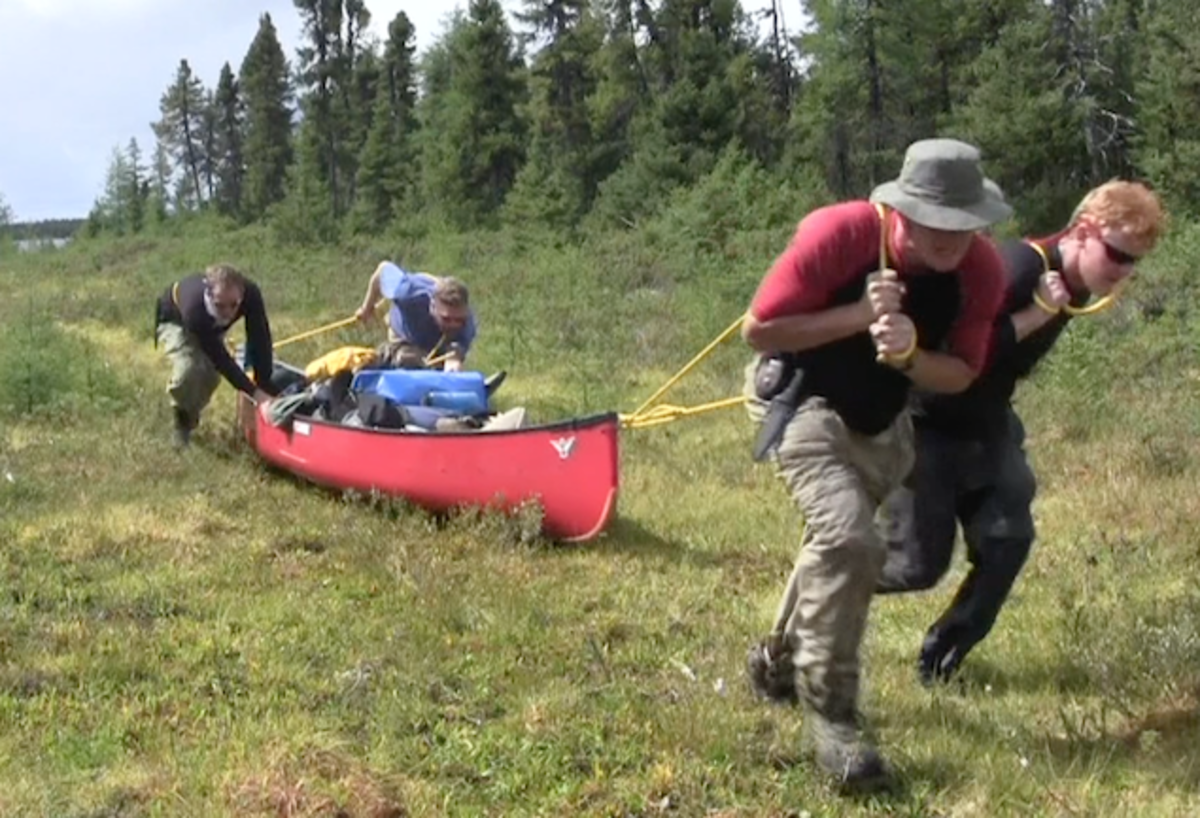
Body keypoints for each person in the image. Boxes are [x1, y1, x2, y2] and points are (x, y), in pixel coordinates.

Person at [741, 138, 1012, 791]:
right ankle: (834, 717)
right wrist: (859, 315)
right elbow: (760, 329)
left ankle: (777, 660)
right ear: (901, 209)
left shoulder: (981, 271)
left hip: (883, 421)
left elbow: (963, 372)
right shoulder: (842, 233)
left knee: (832, 546)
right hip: (803, 401)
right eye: (934, 220)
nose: (950, 237)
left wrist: (911, 355)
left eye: (964, 222)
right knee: (848, 537)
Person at [874, 180, 1166, 686]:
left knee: (1009, 539)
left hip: (986, 424)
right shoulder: (1022, 267)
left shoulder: (1074, 288)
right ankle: (818, 590)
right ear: (1083, 231)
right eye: (1118, 255)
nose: (1124, 272)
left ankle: (939, 664)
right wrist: (1035, 314)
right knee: (916, 567)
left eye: (1134, 262)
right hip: (930, 425)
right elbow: (956, 351)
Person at [154, 263, 277, 448]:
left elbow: (260, 338)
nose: (228, 313)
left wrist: (265, 385)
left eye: (234, 305)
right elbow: (220, 358)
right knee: (189, 369)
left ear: (242, 294)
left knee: (211, 378)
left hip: (209, 325)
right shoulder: (194, 311)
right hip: (175, 319)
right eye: (220, 306)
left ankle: (190, 415)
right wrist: (255, 393)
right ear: (209, 295)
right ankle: (181, 422)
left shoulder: (251, 294)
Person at [355, 261, 477, 373]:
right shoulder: (410, 292)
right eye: (446, 319)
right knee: (408, 359)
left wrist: (453, 361)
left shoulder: (467, 325)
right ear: (432, 306)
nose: (453, 325)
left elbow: (455, 352)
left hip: (434, 345)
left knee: (435, 367)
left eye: (458, 320)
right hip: (404, 335)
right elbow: (383, 271)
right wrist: (367, 307)